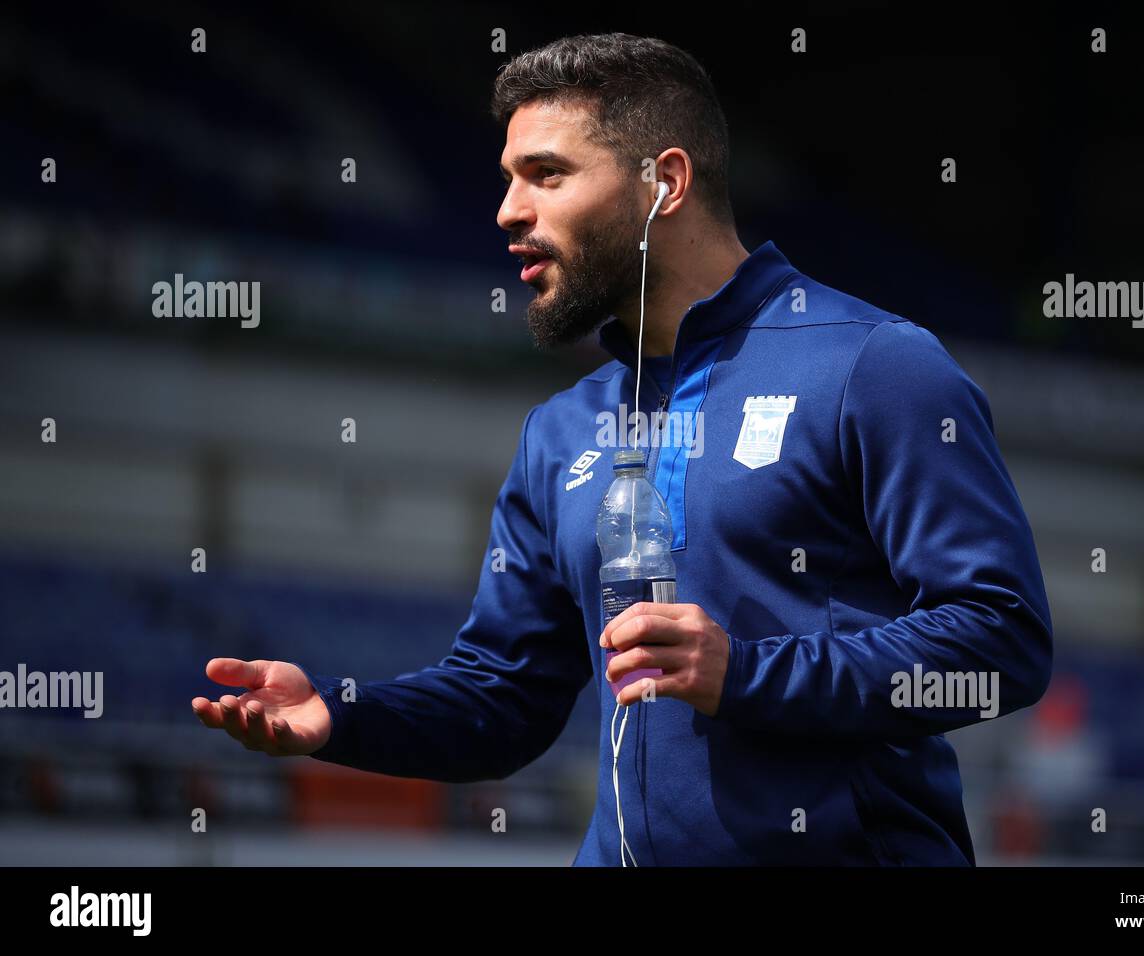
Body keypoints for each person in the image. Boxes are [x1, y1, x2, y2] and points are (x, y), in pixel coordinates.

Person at [192, 32, 1053, 866]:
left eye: (548, 175)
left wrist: (747, 675)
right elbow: (503, 696)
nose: (508, 211)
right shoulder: (560, 431)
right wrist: (342, 717)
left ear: (664, 182)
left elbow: (1000, 641)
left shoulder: (873, 366)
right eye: (506, 179)